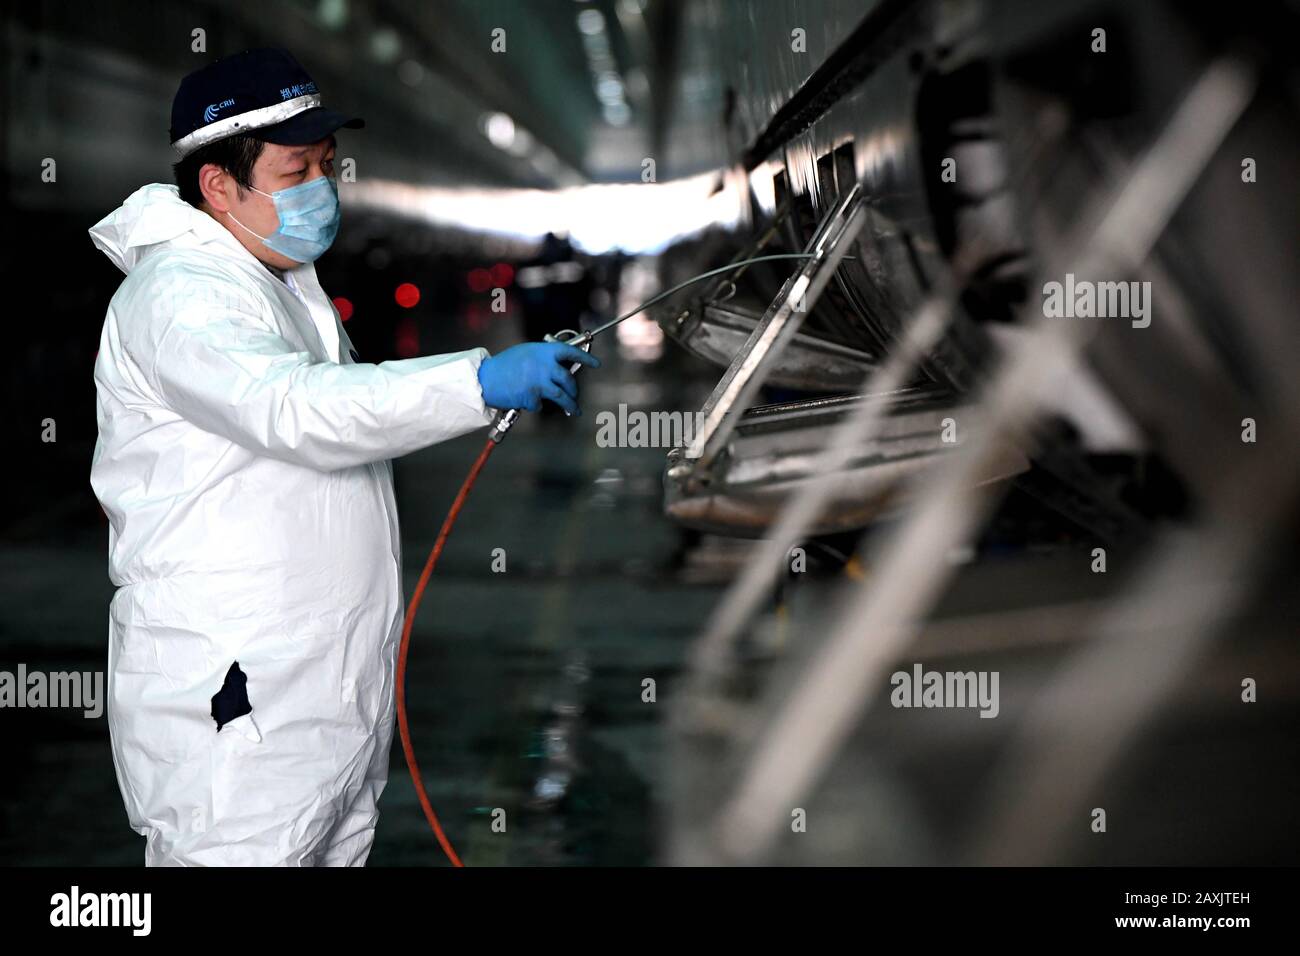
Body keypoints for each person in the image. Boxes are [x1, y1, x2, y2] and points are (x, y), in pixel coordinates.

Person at [88, 48, 598, 866]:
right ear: (219, 185)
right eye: (298, 170)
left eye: (328, 165)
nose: (324, 187)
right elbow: (297, 410)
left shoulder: (283, 284)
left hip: (317, 687)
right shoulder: (184, 295)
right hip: (240, 696)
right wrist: (478, 379)